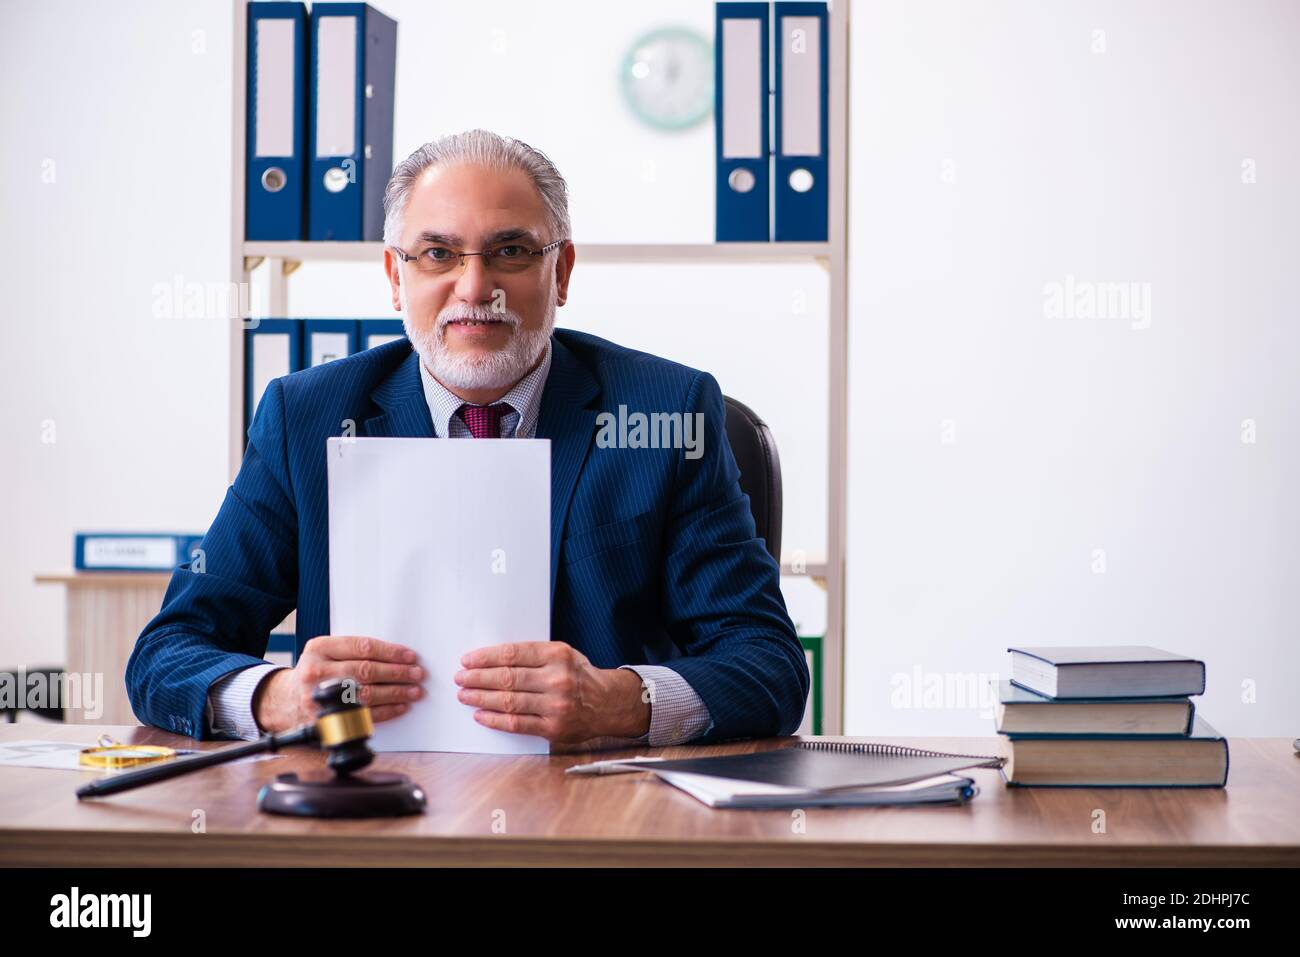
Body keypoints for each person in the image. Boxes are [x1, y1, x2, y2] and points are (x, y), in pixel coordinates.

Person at [126, 129, 808, 750]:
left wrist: (624, 701)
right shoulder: (304, 416)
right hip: (370, 806)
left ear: (561, 271)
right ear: (396, 277)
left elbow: (766, 663)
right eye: (438, 253)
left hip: (598, 805)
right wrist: (278, 698)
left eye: (510, 251)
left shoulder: (668, 412)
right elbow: (169, 650)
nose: (475, 287)